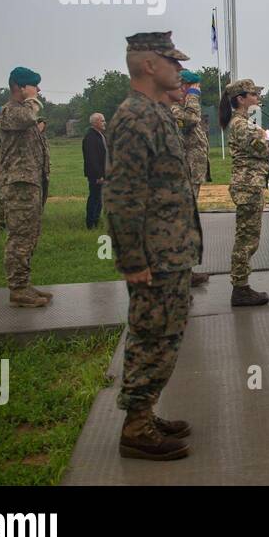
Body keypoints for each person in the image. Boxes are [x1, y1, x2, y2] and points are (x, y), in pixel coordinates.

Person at [104, 31, 202, 461]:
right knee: (151, 335)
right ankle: (136, 428)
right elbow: (123, 193)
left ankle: (145, 411)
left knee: (165, 335)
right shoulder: (134, 116)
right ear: (148, 65)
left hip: (172, 250)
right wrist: (132, 259)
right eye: (172, 62)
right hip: (155, 255)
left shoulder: (157, 111)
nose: (178, 69)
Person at [0, 67, 52, 307]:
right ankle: (18, 289)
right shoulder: (11, 111)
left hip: (30, 184)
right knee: (20, 237)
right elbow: (28, 118)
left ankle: (24, 284)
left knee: (30, 236)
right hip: (19, 185)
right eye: (34, 85)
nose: (38, 90)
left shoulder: (22, 113)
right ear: (21, 86)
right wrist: (32, 102)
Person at [220, 78, 269, 306]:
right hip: (248, 186)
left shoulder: (243, 122)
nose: (257, 98)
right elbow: (263, 149)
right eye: (253, 94)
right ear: (241, 99)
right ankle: (240, 289)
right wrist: (267, 139)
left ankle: (241, 286)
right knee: (246, 240)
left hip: (250, 185)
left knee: (248, 239)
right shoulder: (241, 124)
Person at [171, 70, 210, 286]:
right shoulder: (173, 106)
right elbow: (192, 121)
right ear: (183, 86)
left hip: (191, 173)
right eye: (194, 87)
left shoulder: (182, 106)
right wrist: (192, 97)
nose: (197, 92)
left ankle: (187, 271)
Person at [82, 112, 108, 229]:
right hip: (96, 175)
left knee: (99, 198)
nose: (104, 123)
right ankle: (90, 223)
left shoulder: (100, 135)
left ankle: (96, 221)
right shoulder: (90, 137)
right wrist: (98, 175)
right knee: (94, 198)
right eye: (102, 121)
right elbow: (92, 158)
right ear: (95, 122)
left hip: (103, 173)